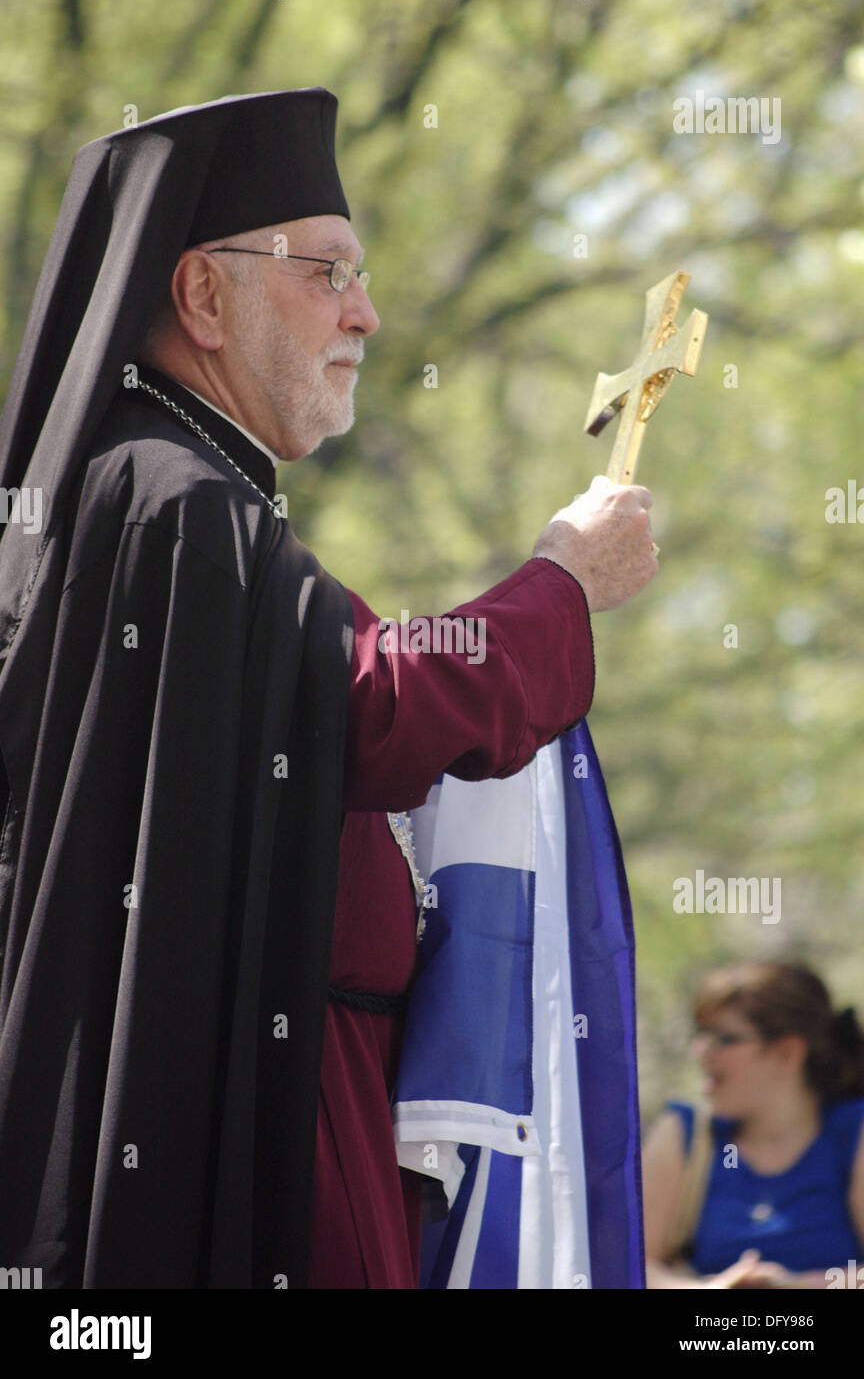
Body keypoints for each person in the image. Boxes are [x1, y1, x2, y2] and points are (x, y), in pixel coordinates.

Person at [0, 88, 658, 1289]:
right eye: (327, 272)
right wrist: (557, 587)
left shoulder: (172, 497)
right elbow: (367, 705)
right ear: (203, 294)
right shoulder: (171, 502)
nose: (365, 311)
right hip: (244, 1107)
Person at [642, 962, 864, 1288]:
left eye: (725, 1038)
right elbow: (627, 1266)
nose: (701, 1051)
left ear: (788, 1053)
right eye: (701, 1034)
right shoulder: (684, 1134)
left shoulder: (852, 1131)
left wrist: (795, 1285)